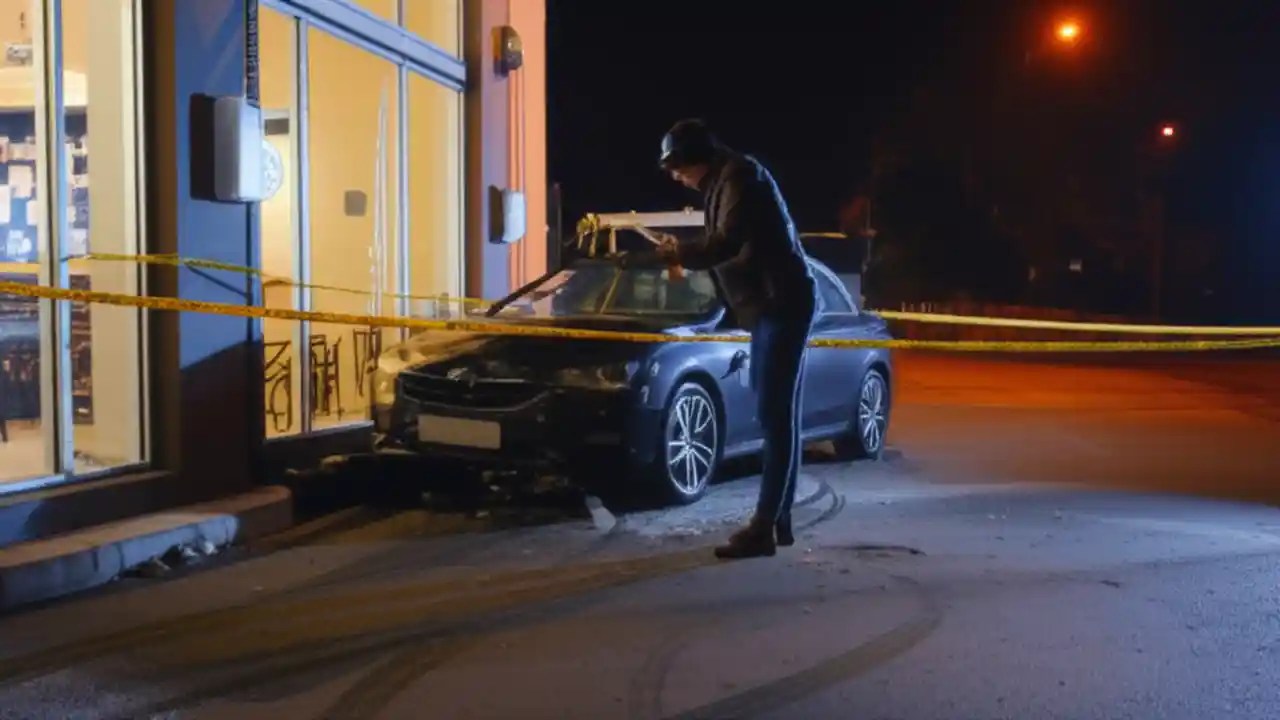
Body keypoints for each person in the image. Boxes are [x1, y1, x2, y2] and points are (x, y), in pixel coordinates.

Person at [651, 118, 817, 560]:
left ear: (694, 159)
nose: (674, 175)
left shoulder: (740, 177)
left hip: (779, 305)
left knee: (774, 414)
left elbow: (726, 243)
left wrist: (678, 252)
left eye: (676, 166)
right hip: (773, 305)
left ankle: (764, 528)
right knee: (781, 416)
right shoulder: (726, 180)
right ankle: (777, 519)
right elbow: (730, 246)